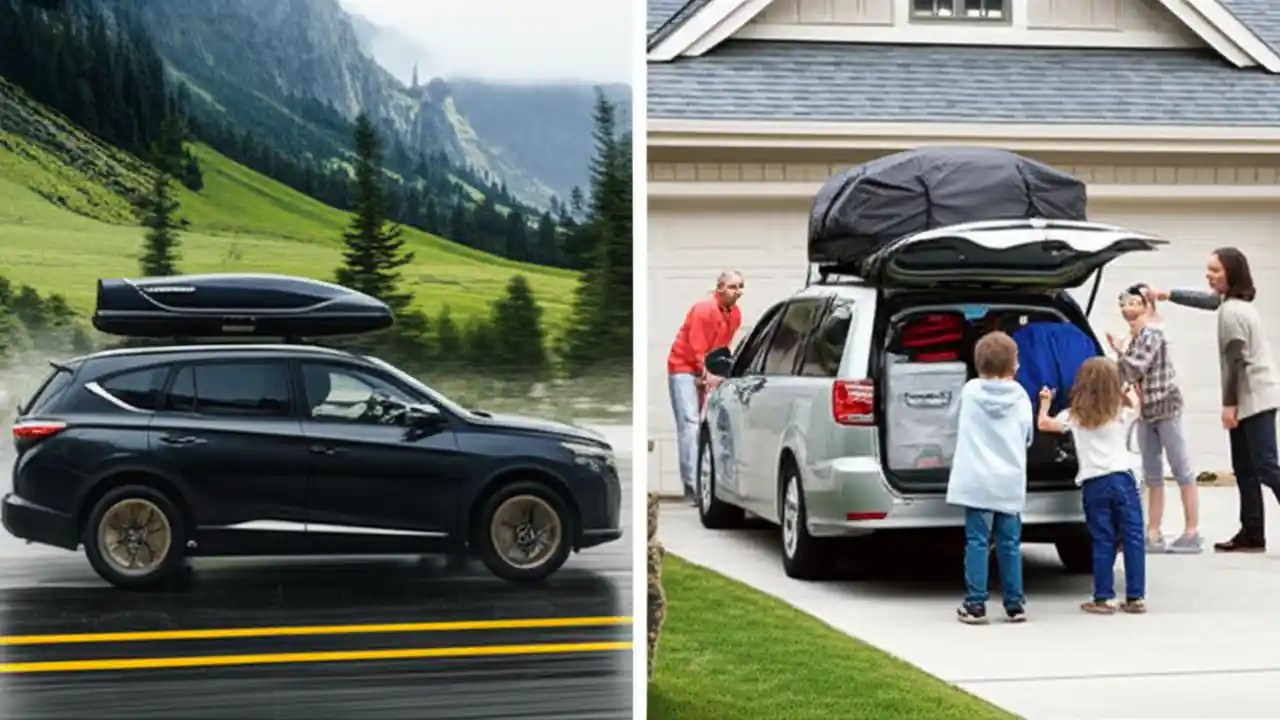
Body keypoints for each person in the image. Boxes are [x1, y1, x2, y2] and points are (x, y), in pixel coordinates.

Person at [1147, 247, 1280, 553]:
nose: (1209, 275)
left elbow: (1236, 361)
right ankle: (1252, 533)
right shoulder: (1232, 304)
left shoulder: (1233, 312)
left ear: (1232, 274)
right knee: (1245, 468)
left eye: (1215, 270)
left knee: (1267, 466)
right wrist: (1168, 295)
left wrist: (1229, 406)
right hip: (1249, 397)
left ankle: (1252, 531)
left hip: (1255, 397)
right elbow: (1207, 301)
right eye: (1208, 269)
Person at [1037, 358, 1147, 615]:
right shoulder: (1120, 413)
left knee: (1102, 539)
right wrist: (1127, 392)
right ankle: (1135, 596)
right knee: (1133, 538)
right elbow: (1139, 408)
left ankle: (1103, 597)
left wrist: (1044, 403)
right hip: (1124, 479)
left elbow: (1044, 424)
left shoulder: (1075, 415)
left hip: (1094, 483)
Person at [1106, 283, 1201, 554]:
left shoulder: (1152, 333)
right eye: (1123, 302)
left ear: (1147, 304)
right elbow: (1127, 373)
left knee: (1181, 467)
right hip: (1147, 410)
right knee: (1152, 472)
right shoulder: (1134, 335)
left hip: (1166, 406)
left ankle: (1192, 530)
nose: (1127, 307)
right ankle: (1152, 531)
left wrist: (1118, 353)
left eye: (1133, 302)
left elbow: (1134, 367)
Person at [947, 331, 1033, 625]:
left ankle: (975, 604)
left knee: (977, 541)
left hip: (976, 482)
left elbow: (953, 420)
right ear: (1014, 365)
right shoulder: (1020, 395)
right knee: (1010, 542)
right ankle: (1014, 603)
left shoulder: (970, 391)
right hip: (1008, 482)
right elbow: (1028, 434)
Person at [666, 271, 744, 503]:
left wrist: (718, 372)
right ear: (719, 287)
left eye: (740, 286)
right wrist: (705, 374)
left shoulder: (735, 315)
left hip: (704, 369)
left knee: (704, 425)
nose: (738, 291)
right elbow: (697, 346)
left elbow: (721, 349)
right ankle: (692, 486)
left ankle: (707, 481)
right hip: (682, 367)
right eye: (732, 286)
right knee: (689, 423)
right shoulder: (704, 309)